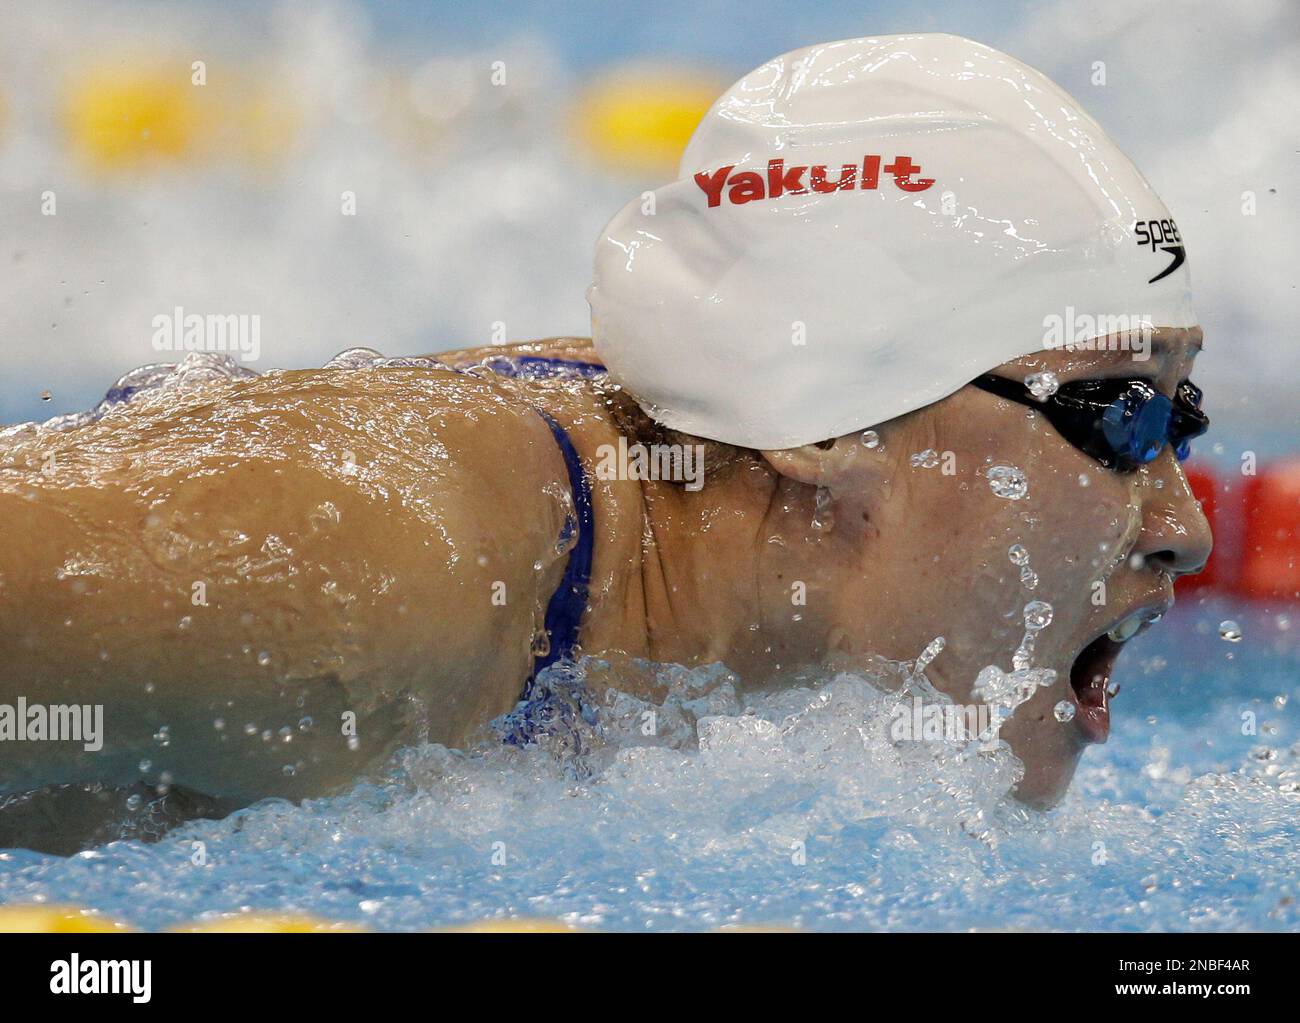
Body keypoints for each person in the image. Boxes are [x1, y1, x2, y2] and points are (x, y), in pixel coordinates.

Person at [0, 34, 1210, 853]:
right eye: (1118, 416)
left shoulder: (675, 576)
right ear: (827, 425)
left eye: (1183, 419)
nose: (1185, 527)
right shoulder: (370, 574)